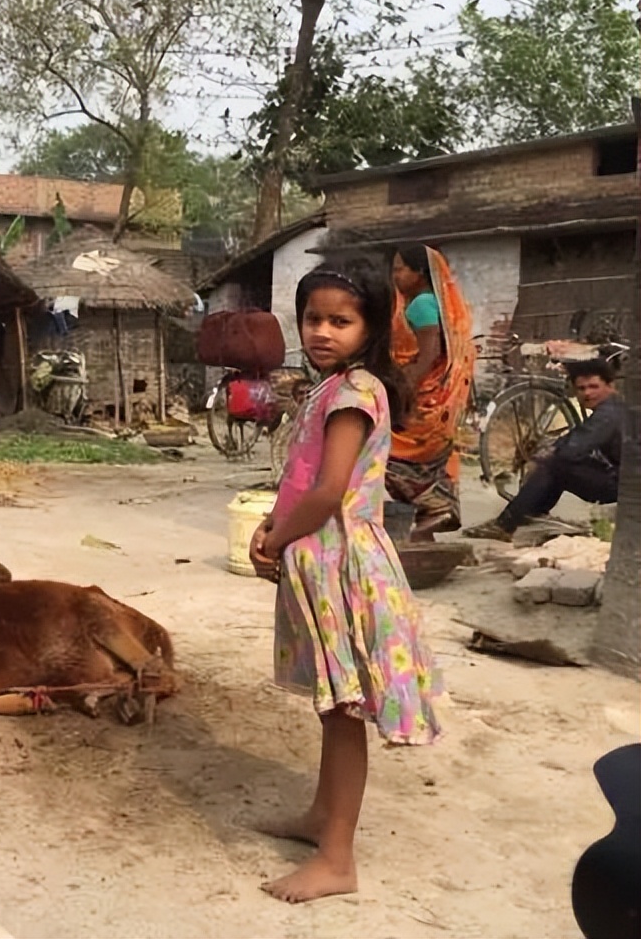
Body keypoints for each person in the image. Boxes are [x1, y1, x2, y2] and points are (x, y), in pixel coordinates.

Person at [249, 262, 443, 903]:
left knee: (342, 711)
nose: (323, 332)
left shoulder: (355, 392)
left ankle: (338, 859)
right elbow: (303, 480)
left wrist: (277, 537)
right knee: (332, 706)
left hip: (343, 563)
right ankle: (321, 819)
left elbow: (331, 490)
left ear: (372, 327)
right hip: (319, 558)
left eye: (341, 320)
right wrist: (272, 525)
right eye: (313, 319)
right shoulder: (329, 388)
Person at [464, 359, 622, 541]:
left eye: (594, 387)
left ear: (610, 386)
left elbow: (574, 448)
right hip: (623, 480)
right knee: (556, 464)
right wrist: (554, 449)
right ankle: (529, 517)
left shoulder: (609, 414)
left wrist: (545, 456)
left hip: (623, 486)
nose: (587, 393)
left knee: (554, 464)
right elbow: (578, 438)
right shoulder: (614, 408)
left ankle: (506, 525)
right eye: (581, 388)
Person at [385, 243, 476, 541]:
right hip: (438, 400)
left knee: (388, 453)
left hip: (424, 398)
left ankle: (435, 508)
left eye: (400, 269)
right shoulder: (431, 302)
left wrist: (404, 390)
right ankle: (430, 523)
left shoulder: (420, 305)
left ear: (419, 272)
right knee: (427, 462)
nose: (395, 275)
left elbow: (428, 353)